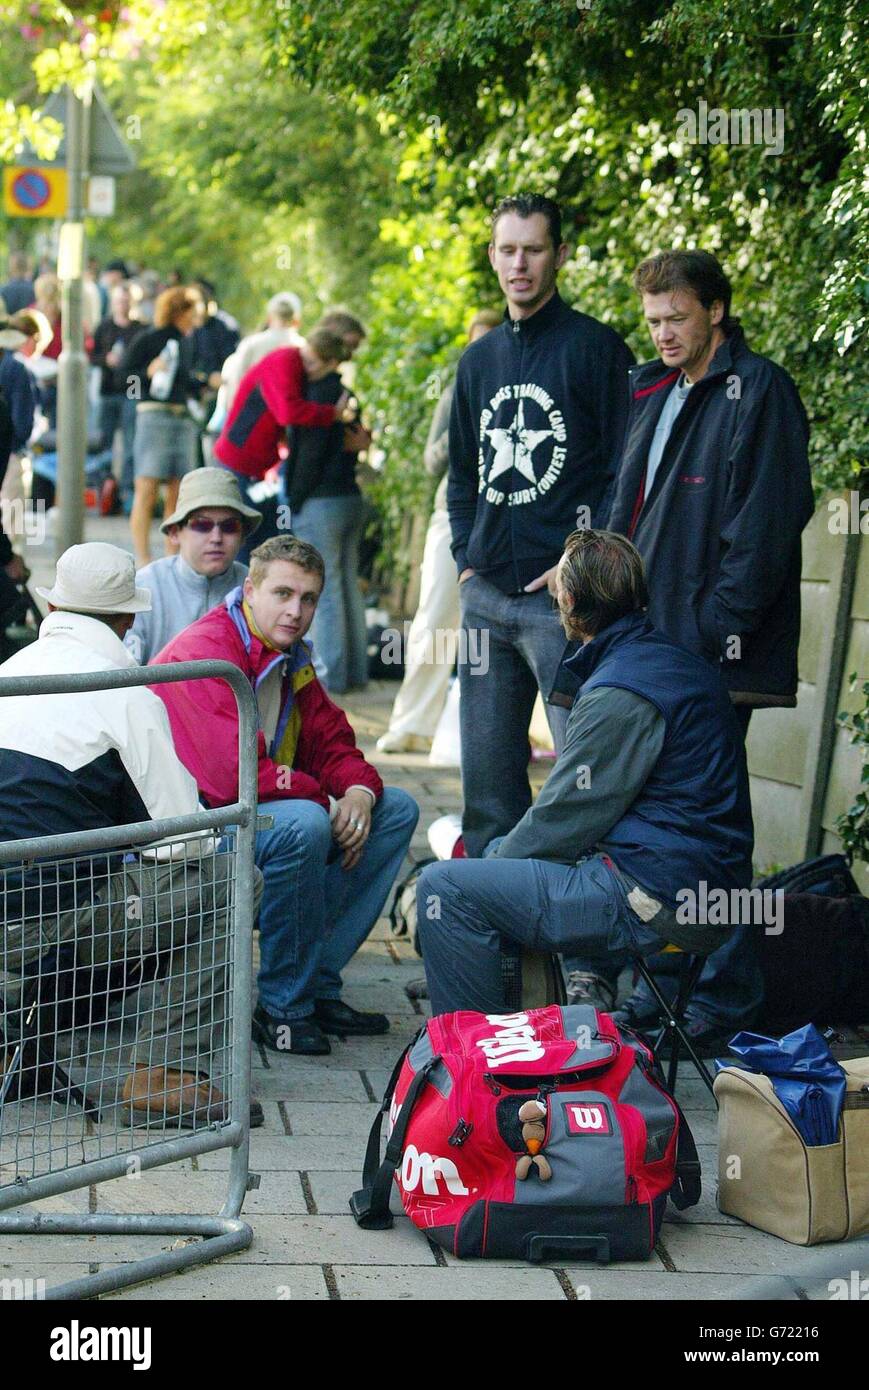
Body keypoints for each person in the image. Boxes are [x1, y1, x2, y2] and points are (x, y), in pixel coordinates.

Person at [572, 248, 815, 1044]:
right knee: (664, 824)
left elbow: (765, 530)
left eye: (677, 317)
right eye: (652, 320)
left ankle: (721, 995)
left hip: (710, 657)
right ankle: (669, 987)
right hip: (652, 648)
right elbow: (624, 507)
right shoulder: (653, 386)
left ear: (715, 310)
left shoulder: (759, 391)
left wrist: (714, 632)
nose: (664, 332)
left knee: (707, 831)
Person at [417, 529, 754, 1018]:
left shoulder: (622, 689)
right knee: (493, 871)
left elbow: (566, 815)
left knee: (444, 889)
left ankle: (475, 1060)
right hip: (691, 882)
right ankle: (519, 1030)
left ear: (568, 600)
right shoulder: (665, 660)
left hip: (656, 896)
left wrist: (489, 865)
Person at [0, 543, 263, 1126]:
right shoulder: (129, 694)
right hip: (47, 922)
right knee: (230, 878)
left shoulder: (6, 675)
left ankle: (8, 1041)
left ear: (51, 607)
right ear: (129, 619)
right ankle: (164, 1073)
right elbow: (186, 843)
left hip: (11, 915)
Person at [150, 534, 419, 1055]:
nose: (296, 611)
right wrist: (327, 801)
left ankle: (315, 985)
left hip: (242, 814)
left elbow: (332, 739)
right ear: (249, 590)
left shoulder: (285, 653)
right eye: (282, 594)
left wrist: (359, 793)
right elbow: (236, 775)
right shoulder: (209, 650)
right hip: (187, 833)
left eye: (309, 598)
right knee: (305, 824)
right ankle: (281, 1008)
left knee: (395, 811)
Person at [447, 193, 635, 861]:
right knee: (488, 789)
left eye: (532, 249)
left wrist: (581, 565)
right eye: (506, 250)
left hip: (567, 605)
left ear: (559, 254)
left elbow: (625, 470)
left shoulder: (598, 350)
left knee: (581, 781)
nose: (518, 264)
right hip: (485, 598)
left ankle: (579, 954)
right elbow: (462, 476)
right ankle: (492, 952)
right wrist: (464, 560)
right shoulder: (478, 360)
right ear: (492, 257)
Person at [377, 308, 501, 752]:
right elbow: (432, 459)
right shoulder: (456, 391)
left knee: (495, 629)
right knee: (435, 616)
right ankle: (412, 724)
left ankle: (489, 735)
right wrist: (466, 425)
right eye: (476, 343)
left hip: (506, 519)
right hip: (453, 514)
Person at [213, 327, 354, 560]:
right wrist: (332, 414)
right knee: (243, 541)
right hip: (239, 463)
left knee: (264, 539)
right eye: (309, 360)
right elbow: (287, 412)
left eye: (315, 363)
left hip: (259, 468)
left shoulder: (295, 365)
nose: (310, 368)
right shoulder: (285, 361)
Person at [286, 313, 371, 692]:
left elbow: (310, 457)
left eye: (313, 360)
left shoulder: (318, 396)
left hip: (321, 501)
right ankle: (354, 671)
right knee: (347, 585)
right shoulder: (346, 395)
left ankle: (331, 676)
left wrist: (295, 499)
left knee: (327, 590)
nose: (306, 367)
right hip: (349, 497)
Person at [126, 466, 261, 664]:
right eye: (202, 525)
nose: (216, 538)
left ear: (242, 537)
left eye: (230, 526)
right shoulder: (143, 589)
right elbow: (121, 678)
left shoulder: (258, 591)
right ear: (174, 533)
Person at [120, 285, 207, 568]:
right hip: (154, 417)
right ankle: (144, 558)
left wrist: (204, 382)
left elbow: (185, 382)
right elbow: (122, 378)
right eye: (193, 311)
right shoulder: (150, 338)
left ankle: (172, 558)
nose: (197, 317)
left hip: (181, 419)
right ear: (180, 311)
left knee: (179, 491)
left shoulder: (189, 341)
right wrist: (146, 374)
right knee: (146, 487)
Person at [90, 282, 145, 511]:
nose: (123, 305)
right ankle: (105, 490)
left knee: (132, 442)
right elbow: (93, 355)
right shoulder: (104, 326)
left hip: (131, 387)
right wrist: (106, 360)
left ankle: (127, 492)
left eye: (126, 301)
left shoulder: (141, 329)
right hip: (109, 388)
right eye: (119, 301)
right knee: (105, 441)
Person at [220, 292, 303, 413]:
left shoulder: (252, 343)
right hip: (288, 416)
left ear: (269, 318)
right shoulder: (302, 347)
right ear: (296, 321)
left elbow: (236, 382)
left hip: (252, 415)